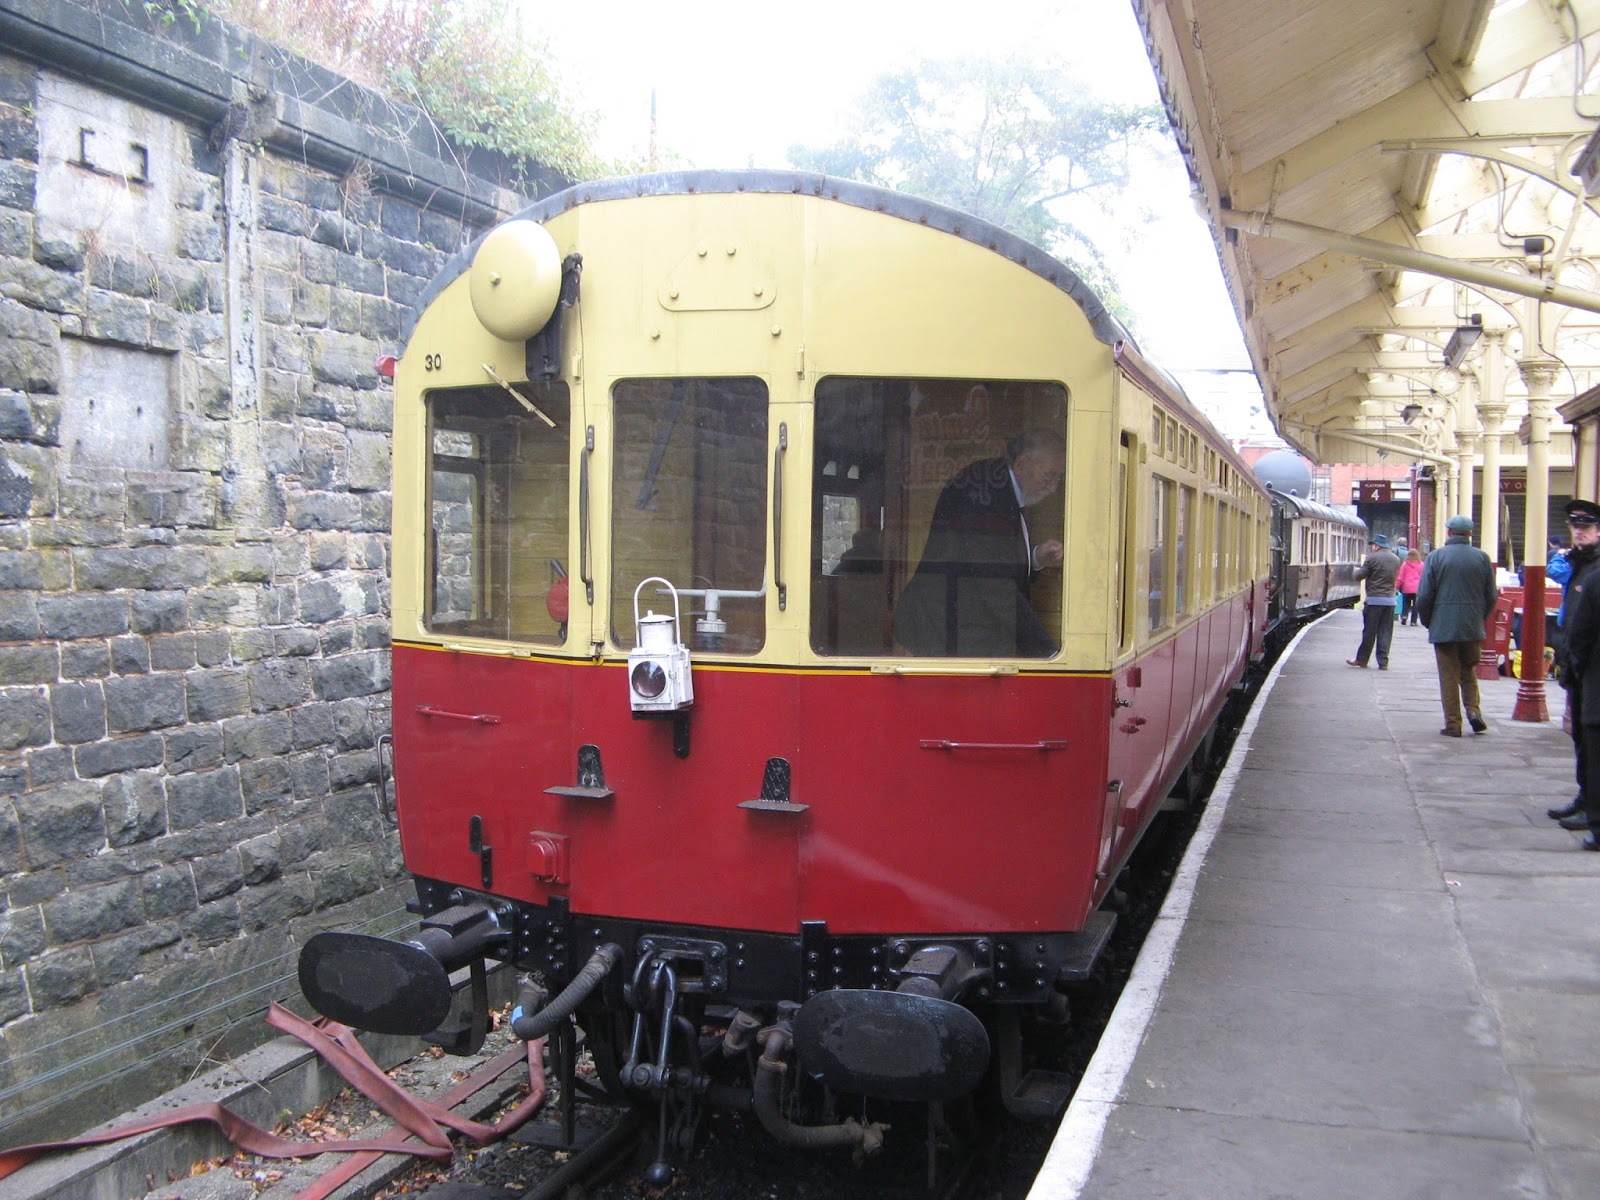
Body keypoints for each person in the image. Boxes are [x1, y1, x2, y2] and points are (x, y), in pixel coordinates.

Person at [893, 428, 1065, 657]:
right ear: (1022, 464)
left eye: (1059, 479)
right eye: (1049, 477)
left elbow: (995, 558)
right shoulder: (986, 496)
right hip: (945, 630)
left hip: (959, 625)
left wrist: (1035, 557)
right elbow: (994, 582)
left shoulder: (1000, 484)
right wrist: (1048, 654)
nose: (1053, 489)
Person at [1416, 514, 1499, 737]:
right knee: (1468, 670)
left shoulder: (1436, 557)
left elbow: (1424, 596)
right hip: (1472, 626)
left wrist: (1429, 621)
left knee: (1449, 675)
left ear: (1449, 532)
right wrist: (1479, 617)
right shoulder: (1482, 558)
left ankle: (1453, 724)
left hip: (1444, 626)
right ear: (1470, 534)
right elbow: (1491, 595)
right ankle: (1474, 711)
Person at [1550, 500, 1600, 828]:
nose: (1579, 533)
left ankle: (1593, 806)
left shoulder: (1594, 567)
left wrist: (1577, 659)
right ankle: (1585, 797)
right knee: (1581, 735)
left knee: (1592, 737)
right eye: (1575, 528)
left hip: (1591, 664)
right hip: (1578, 662)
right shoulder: (1579, 563)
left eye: (1586, 528)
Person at [1346, 533, 1401, 669]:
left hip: (1374, 600)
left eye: (1372, 545)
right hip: (1390, 601)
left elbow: (1359, 576)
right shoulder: (1395, 559)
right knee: (1385, 632)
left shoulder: (1372, 558)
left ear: (1376, 546)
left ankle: (1362, 660)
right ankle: (1383, 662)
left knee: (1369, 632)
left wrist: (1355, 571)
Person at [1395, 547, 1424, 627]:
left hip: (1406, 588)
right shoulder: (1421, 565)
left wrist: (1397, 585)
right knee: (1415, 605)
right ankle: (1413, 621)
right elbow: (1423, 577)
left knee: (1406, 603)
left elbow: (1401, 577)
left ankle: (1404, 616)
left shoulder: (1405, 565)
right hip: (1417, 588)